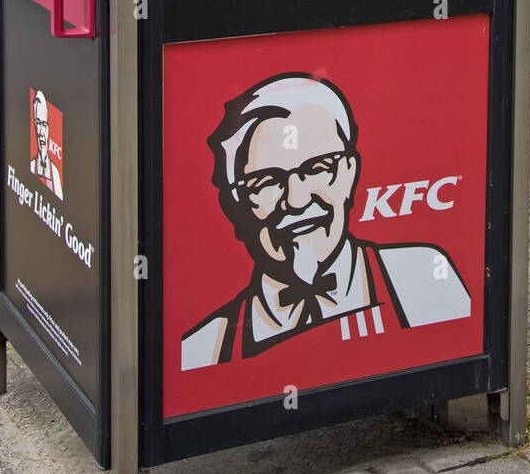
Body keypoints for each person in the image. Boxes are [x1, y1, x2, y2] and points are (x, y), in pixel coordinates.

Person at [181, 73, 471, 369]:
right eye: (266, 181)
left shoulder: (419, 279)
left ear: (349, 173)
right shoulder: (207, 348)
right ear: (237, 203)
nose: (297, 199)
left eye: (318, 168)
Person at [30, 90, 62, 199]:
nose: (40, 132)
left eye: (44, 124)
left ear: (49, 128)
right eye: (37, 123)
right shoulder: (31, 166)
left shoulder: (55, 175)